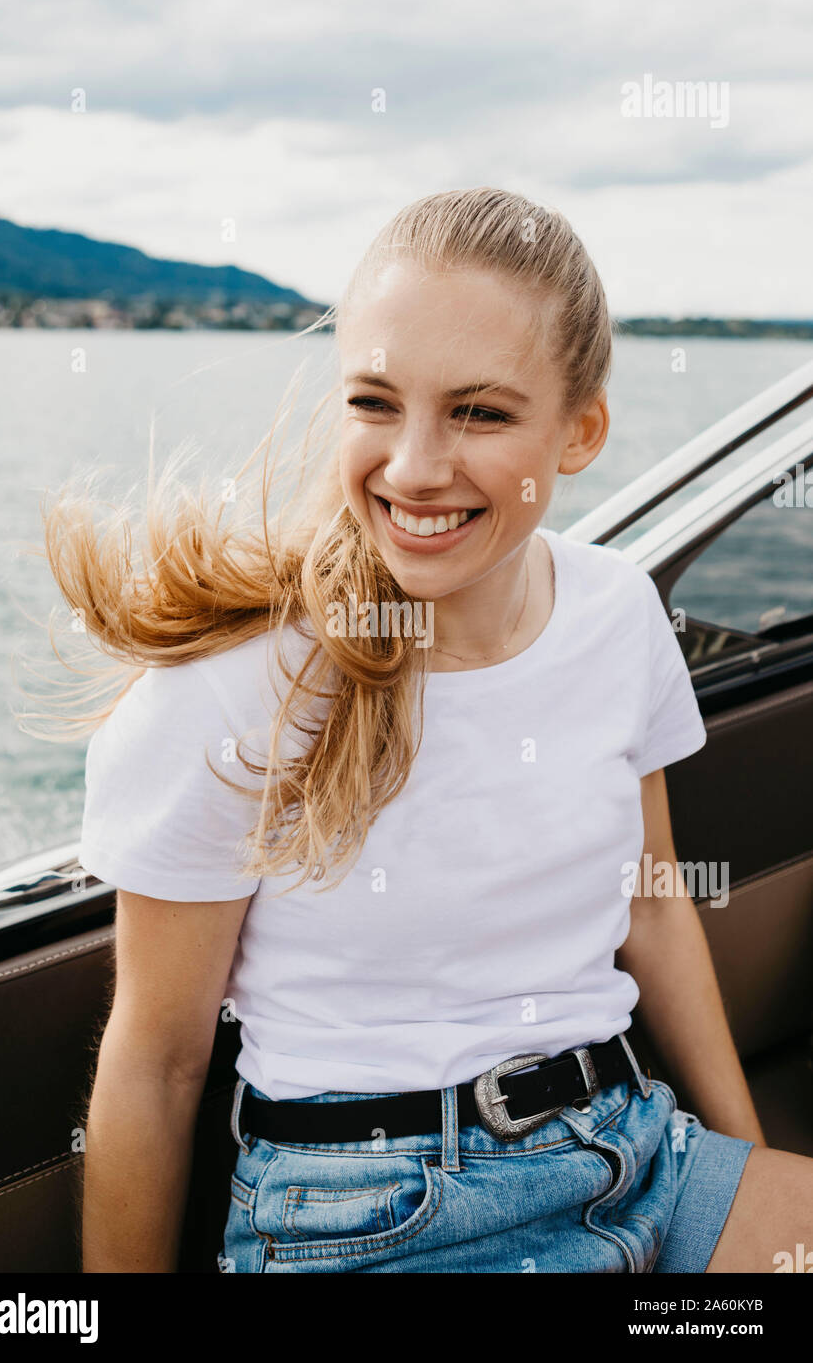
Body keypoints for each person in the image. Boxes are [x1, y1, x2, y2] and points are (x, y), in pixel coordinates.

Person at [39, 186, 813, 1272]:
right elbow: (155, 1061)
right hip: (364, 1212)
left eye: (479, 413)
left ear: (580, 428)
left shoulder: (617, 612)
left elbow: (650, 899)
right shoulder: (235, 689)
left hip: (628, 1145)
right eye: (373, 401)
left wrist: (735, 1163)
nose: (411, 467)